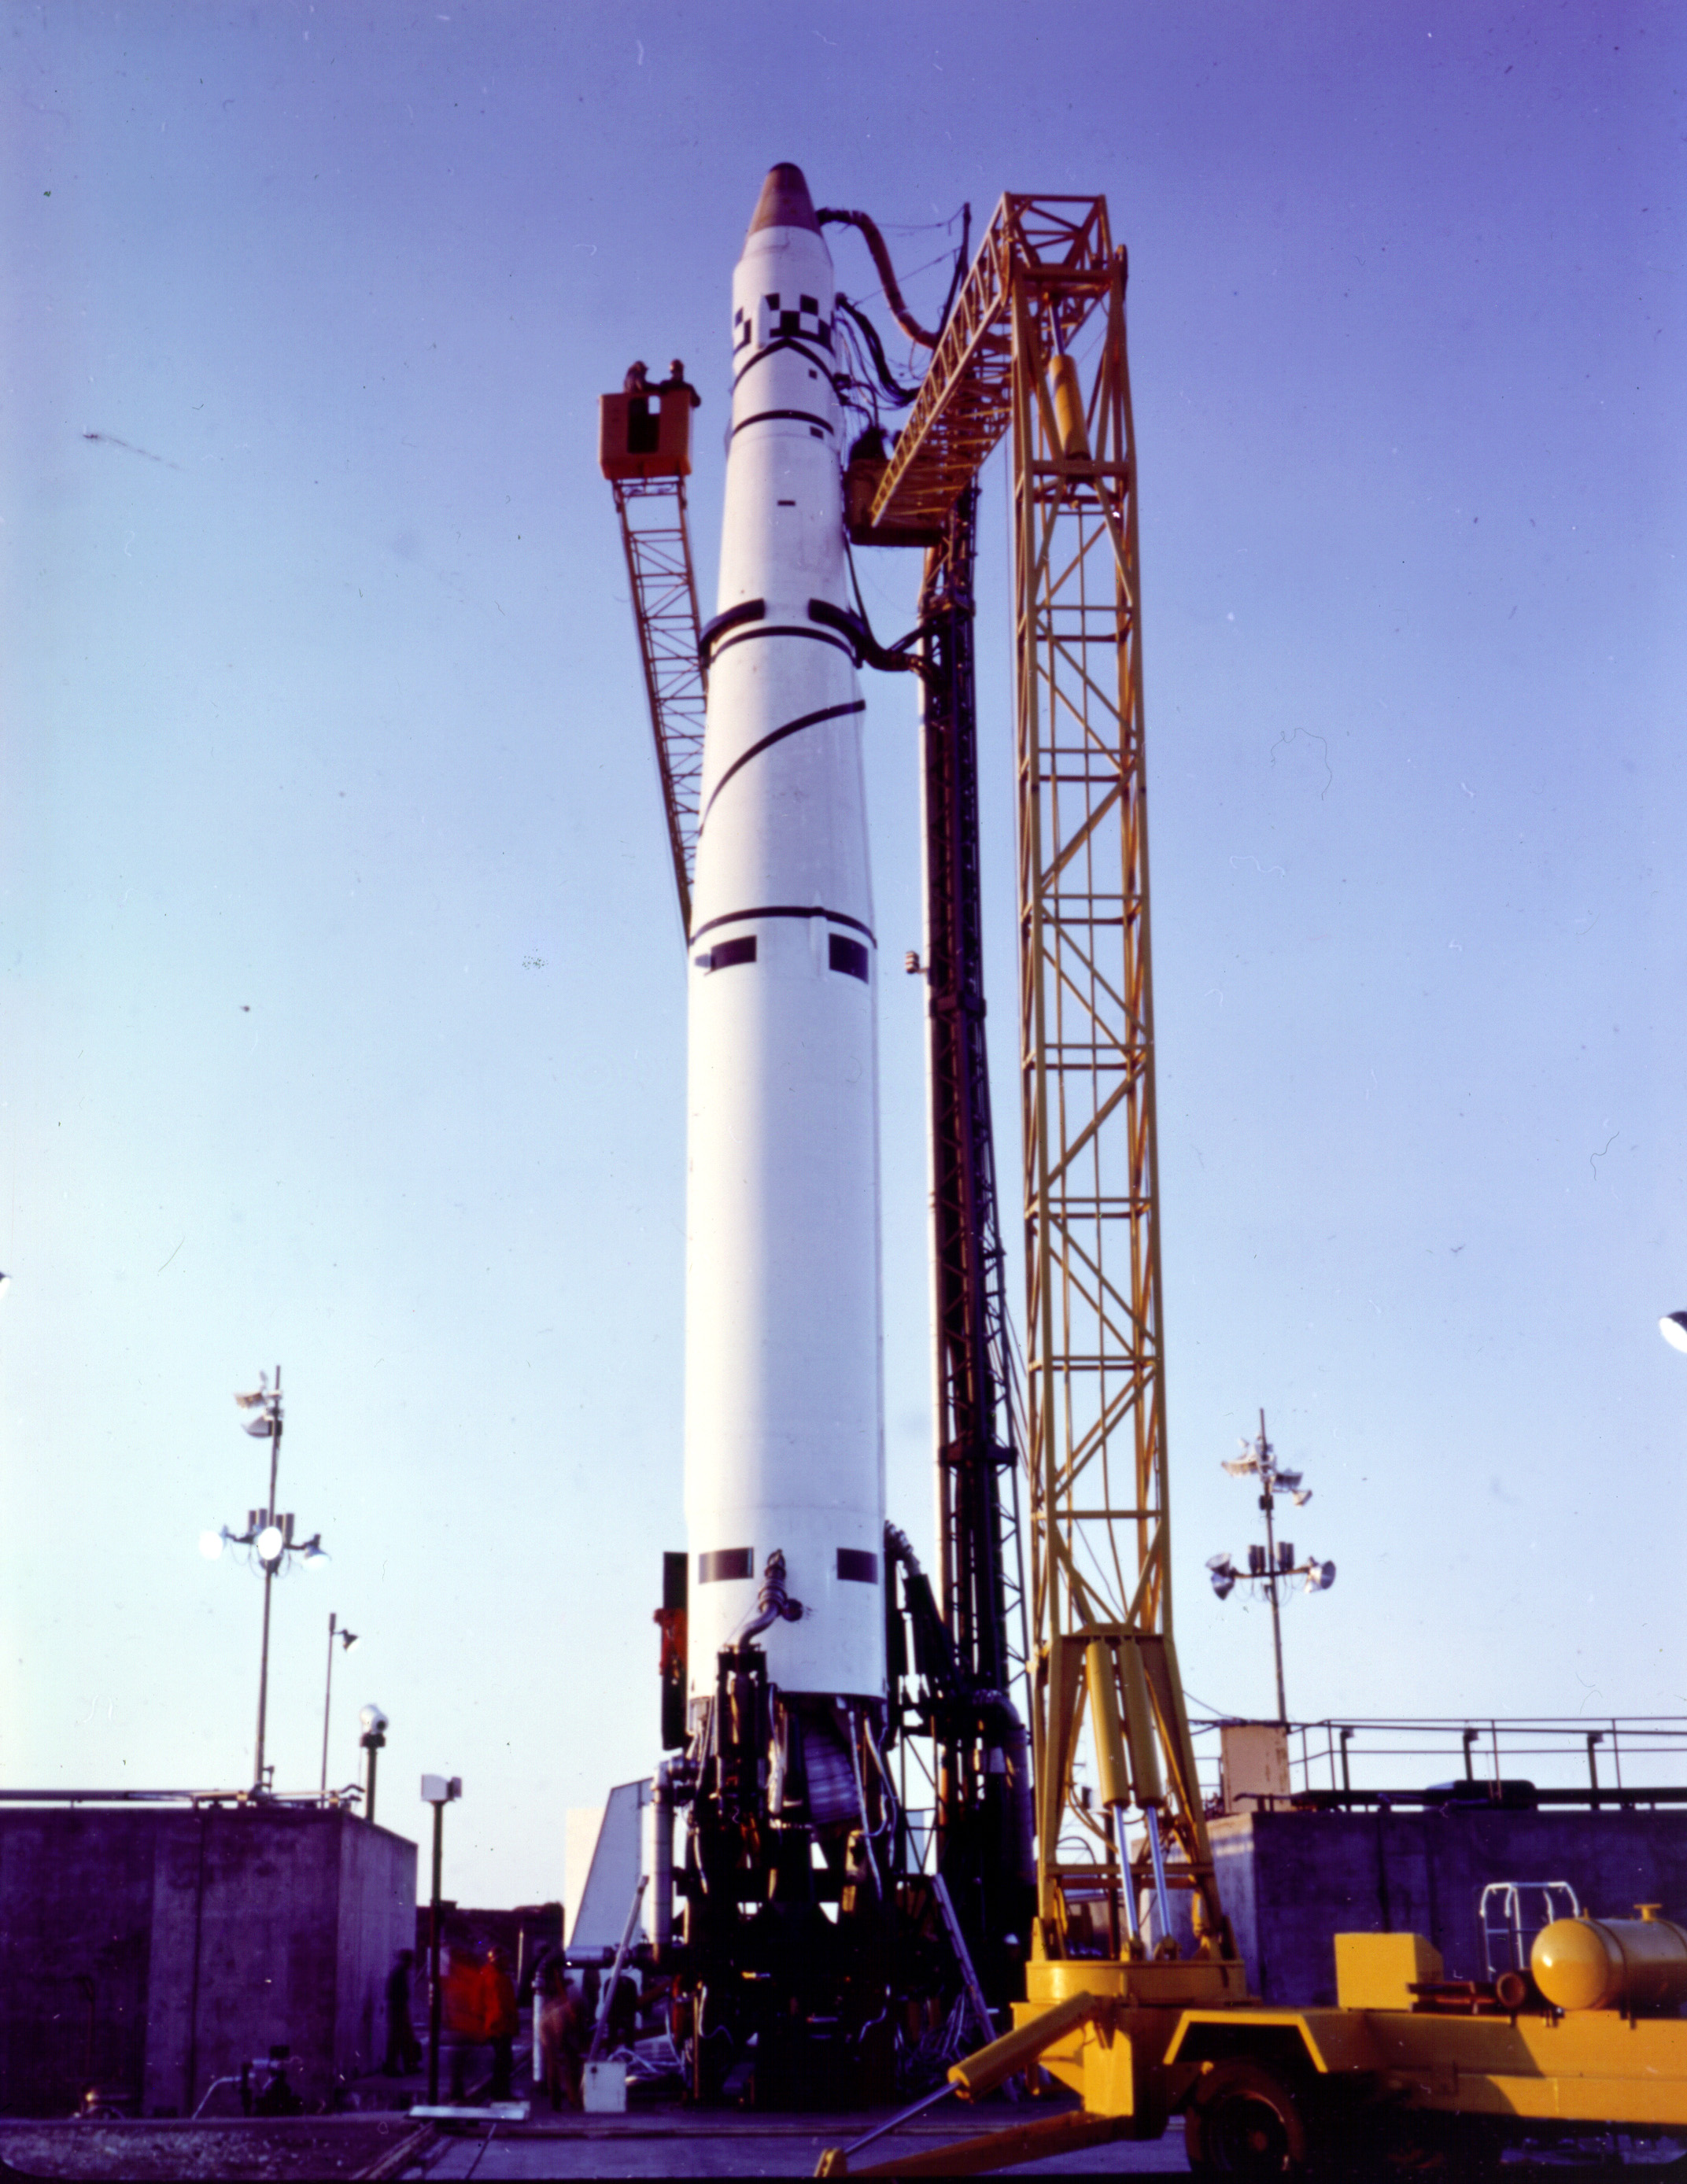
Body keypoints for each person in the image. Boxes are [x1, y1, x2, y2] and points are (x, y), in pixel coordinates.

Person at [480, 1944, 519, 2102]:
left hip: (497, 2024)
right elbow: (501, 2004)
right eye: (505, 1959)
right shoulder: (497, 1978)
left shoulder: (491, 1975)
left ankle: (500, 2092)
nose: (508, 1962)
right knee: (504, 2061)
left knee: (503, 2060)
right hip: (500, 2026)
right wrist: (509, 2023)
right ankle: (500, 2093)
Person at [382, 1948, 422, 2076]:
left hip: (398, 2008)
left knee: (402, 2038)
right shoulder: (399, 1973)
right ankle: (397, 2067)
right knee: (399, 2038)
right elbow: (397, 1994)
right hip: (398, 2009)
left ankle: (404, 2066)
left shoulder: (399, 1972)